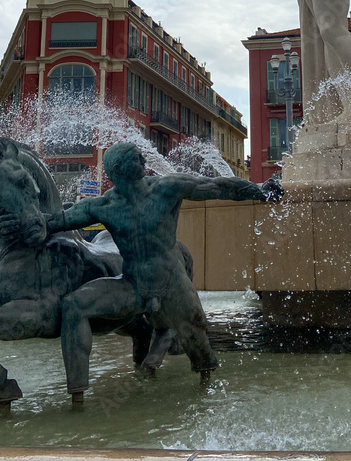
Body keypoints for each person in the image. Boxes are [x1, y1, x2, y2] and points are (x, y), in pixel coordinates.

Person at [43, 141, 276, 399]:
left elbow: (217, 187)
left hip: (172, 283)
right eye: (136, 158)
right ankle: (77, 393)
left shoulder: (166, 187)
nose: (144, 160)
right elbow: (58, 221)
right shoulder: (101, 206)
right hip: (132, 284)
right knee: (74, 305)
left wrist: (259, 190)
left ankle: (206, 392)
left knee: (199, 344)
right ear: (119, 169)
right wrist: (23, 224)